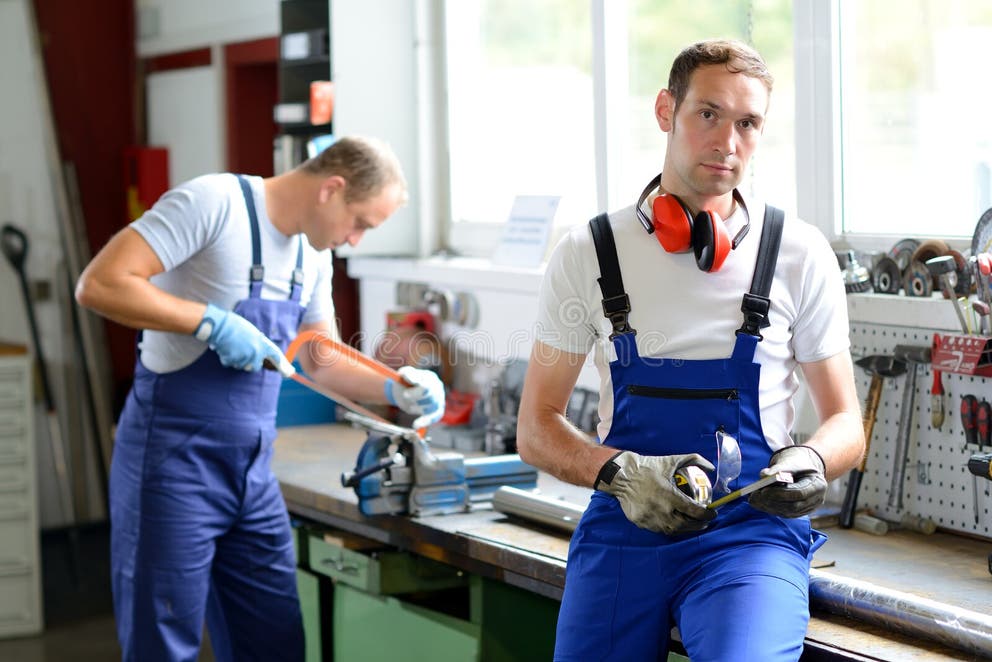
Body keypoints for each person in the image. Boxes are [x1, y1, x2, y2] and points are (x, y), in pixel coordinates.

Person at [517, 40, 864, 661]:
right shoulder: (588, 253)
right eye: (708, 113)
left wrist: (812, 458)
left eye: (747, 123)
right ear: (664, 111)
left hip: (750, 541)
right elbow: (535, 428)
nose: (727, 142)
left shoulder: (798, 253)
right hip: (623, 531)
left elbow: (847, 424)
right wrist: (616, 473)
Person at [75, 136, 445, 662]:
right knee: (161, 645)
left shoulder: (311, 255)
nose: (355, 240)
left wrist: (394, 388)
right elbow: (101, 283)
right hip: (172, 465)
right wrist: (207, 320)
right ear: (332, 190)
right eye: (360, 222)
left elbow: (318, 356)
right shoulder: (213, 204)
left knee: (273, 643)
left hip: (251, 473)